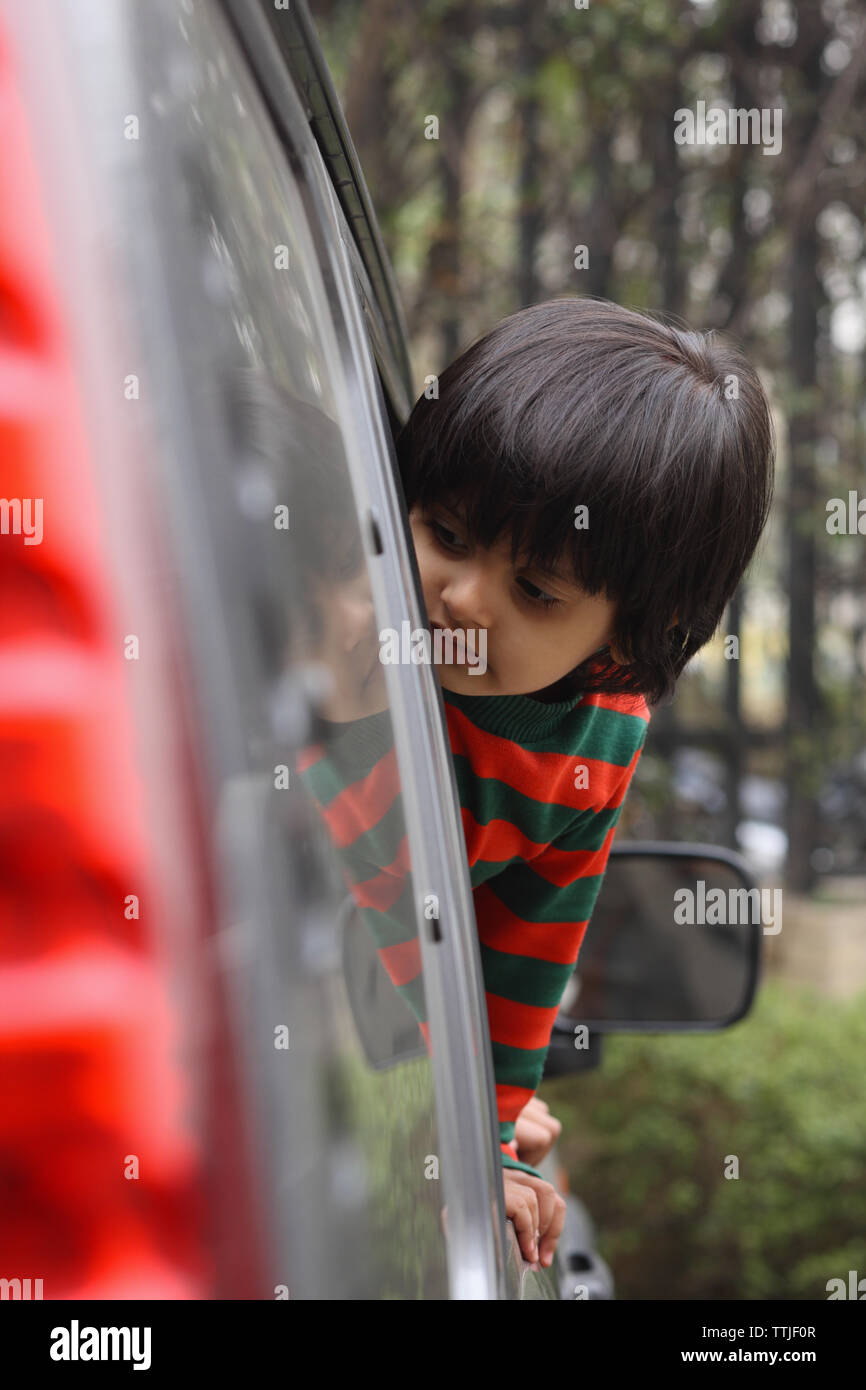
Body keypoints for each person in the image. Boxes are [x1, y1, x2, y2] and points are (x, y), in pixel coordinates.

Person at [296, 295, 775, 1272]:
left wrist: (490, 1134)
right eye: (445, 532)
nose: (460, 598)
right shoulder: (342, 644)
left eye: (536, 591)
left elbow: (524, 938)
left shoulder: (596, 740)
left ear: (634, 631)